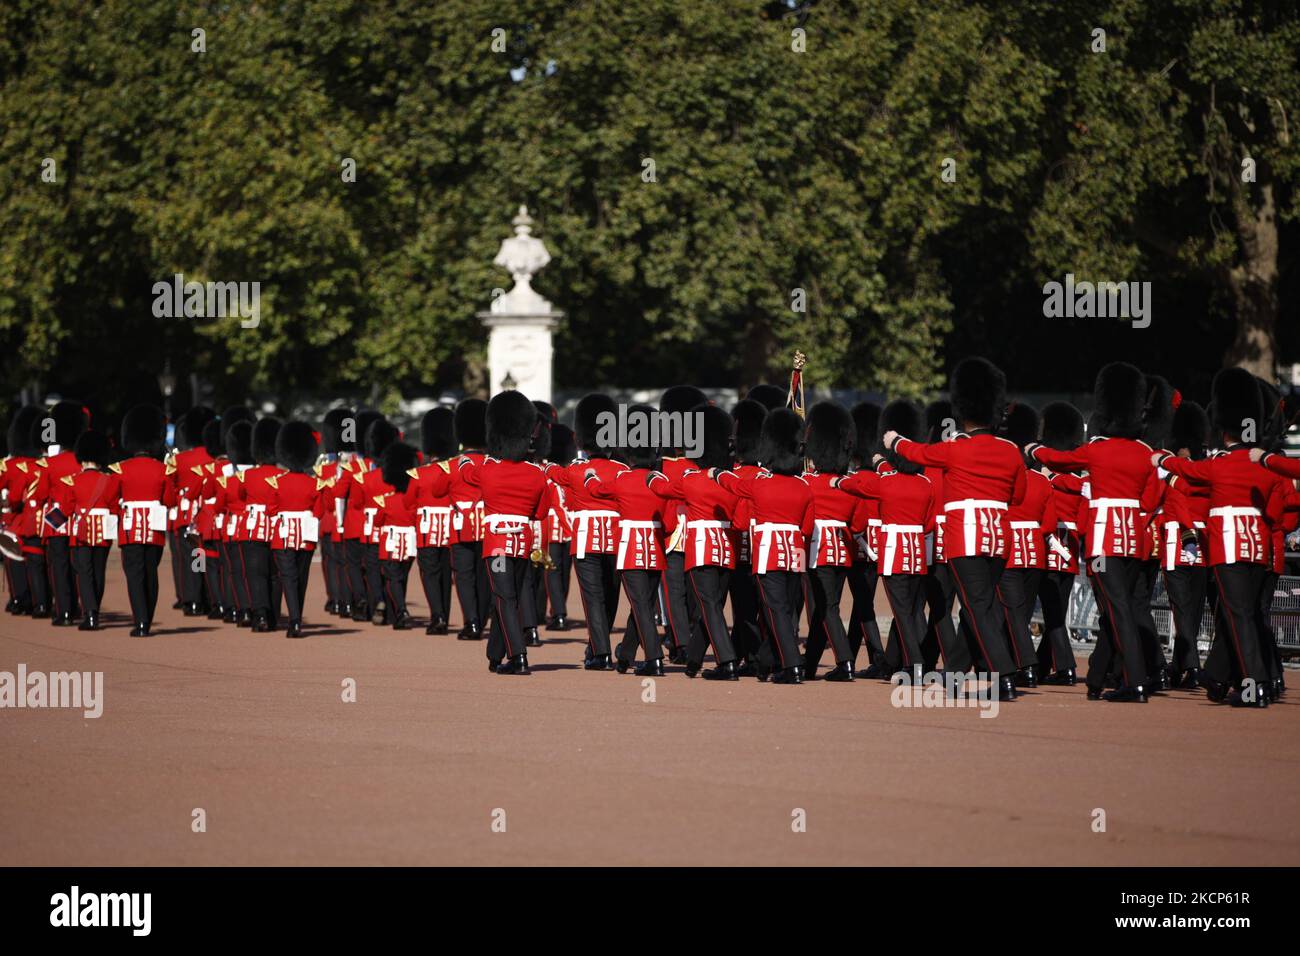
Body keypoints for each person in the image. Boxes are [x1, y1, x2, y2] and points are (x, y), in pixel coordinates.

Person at [886, 359, 1026, 700]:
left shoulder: (956, 448)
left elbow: (918, 452)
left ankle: (1004, 674)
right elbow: (1017, 496)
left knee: (976, 607)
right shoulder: (1010, 451)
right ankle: (953, 672)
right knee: (979, 605)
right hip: (999, 538)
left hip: (965, 537)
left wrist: (893, 441)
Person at [1028, 363, 1167, 702]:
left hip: (1104, 542)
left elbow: (1061, 460)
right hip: (1134, 540)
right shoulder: (1145, 453)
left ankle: (1135, 681)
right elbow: (1151, 500)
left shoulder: (1098, 450)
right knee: (1116, 608)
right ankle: (1097, 675)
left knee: (1117, 609)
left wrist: (1034, 451)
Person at [1156, 369, 1286, 707]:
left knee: (1237, 615)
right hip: (1259, 549)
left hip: (1227, 548)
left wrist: (1163, 460)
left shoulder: (1219, 465)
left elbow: (1188, 473)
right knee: (1242, 615)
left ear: (1223, 428)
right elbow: (1277, 508)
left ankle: (1253, 686)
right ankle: (1221, 676)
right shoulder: (1266, 468)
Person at [836, 400, 935, 680]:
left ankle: (914, 663)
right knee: (915, 610)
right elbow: (928, 524)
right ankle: (906, 661)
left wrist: (837, 481)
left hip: (893, 552)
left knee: (902, 612)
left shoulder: (886, 481)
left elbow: (857, 487)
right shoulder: (925, 484)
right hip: (917, 551)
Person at [715, 408, 814, 685]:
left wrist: (716, 472)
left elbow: (733, 485)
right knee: (786, 610)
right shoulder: (804, 486)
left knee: (775, 610)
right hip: (795, 552)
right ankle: (777, 660)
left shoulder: (760, 484)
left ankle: (792, 665)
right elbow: (806, 528)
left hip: (769, 552)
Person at [456, 391, 551, 674]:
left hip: (498, 545)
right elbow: (541, 513)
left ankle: (518, 656)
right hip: (522, 542)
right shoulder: (536, 474)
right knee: (507, 597)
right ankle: (495, 653)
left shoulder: (487, 470)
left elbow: (464, 471)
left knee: (504, 597)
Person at [646, 404, 742, 680]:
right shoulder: (729, 481)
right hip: (727, 549)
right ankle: (695, 659)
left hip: (701, 549)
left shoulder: (693, 480)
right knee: (709, 604)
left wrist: (651, 475)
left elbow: (662, 489)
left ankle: (727, 661)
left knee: (708, 605)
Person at [552, 393, 627, 668]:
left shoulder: (575, 469)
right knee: (610, 594)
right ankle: (599, 647)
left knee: (593, 597)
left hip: (586, 539)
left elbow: (553, 475)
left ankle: (600, 652)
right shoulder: (622, 470)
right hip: (618, 540)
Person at [995, 402, 1057, 687]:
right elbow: (1049, 525)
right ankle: (1018, 664)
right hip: (1035, 552)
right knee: (1024, 610)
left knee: (1012, 611)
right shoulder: (1044, 483)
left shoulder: (1003, 477)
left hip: (1009, 550)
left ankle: (1026, 666)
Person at [798, 401, 861, 682]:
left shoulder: (809, 483)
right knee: (825, 607)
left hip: (818, 550)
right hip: (842, 550)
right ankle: (810, 663)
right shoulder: (848, 485)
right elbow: (857, 524)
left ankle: (845, 661)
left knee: (827, 608)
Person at [1158, 399, 1212, 688]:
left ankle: (1191, 667)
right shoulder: (1205, 479)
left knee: (1184, 612)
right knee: (1189, 613)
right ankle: (1178, 667)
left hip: (1180, 547)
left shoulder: (1178, 480)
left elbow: (1178, 511)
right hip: (1198, 549)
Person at [1034, 402, 1087, 685]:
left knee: (1053, 611)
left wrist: (1052, 476)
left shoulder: (1055, 478)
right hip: (1069, 550)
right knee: (1055, 609)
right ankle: (1042, 666)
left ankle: (1065, 667)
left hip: (1052, 545)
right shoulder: (1075, 477)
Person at [657, 385, 709, 664]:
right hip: (699, 531)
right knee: (695, 588)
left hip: (674, 532)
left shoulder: (664, 465)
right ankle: (688, 637)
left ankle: (680, 641)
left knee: (673, 589)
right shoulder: (703, 465)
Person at [113, 405, 171, 637]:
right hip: (154, 529)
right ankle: (147, 617)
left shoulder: (120, 469)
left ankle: (141, 622)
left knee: (135, 574)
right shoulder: (162, 469)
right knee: (150, 573)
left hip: (129, 529)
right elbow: (170, 500)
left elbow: (111, 499)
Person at [270, 420, 330, 638]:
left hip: (284, 535)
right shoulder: (315, 484)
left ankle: (294, 621)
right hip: (305, 535)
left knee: (288, 576)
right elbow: (319, 511)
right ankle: (296, 619)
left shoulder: (276, 482)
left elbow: (270, 510)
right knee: (301, 578)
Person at [32, 401, 88, 626]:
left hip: (56, 522)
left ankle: (64, 611)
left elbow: (39, 495)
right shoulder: (82, 463)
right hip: (78, 520)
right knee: (79, 566)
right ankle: (79, 608)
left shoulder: (50, 464)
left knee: (59, 566)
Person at [67, 429, 119, 631]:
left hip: (81, 531)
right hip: (103, 529)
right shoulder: (110, 480)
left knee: (84, 572)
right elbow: (114, 507)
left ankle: (90, 613)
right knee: (98, 571)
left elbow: (65, 509)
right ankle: (94, 609)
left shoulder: (72, 480)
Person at [410, 407, 456, 635]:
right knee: (447, 574)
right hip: (449, 528)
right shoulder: (454, 470)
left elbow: (409, 504)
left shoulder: (418, 474)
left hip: (427, 529)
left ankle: (436, 615)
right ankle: (444, 616)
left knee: (429, 572)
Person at [447, 400, 491, 640]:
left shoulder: (452, 466)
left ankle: (471, 622)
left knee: (463, 575)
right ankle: (482, 620)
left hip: (460, 526)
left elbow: (436, 490)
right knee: (484, 574)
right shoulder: (491, 464)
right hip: (485, 525)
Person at [169, 406, 216, 616]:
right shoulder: (213, 458)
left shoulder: (180, 460)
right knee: (206, 556)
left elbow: (171, 486)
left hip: (186, 515)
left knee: (190, 559)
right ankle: (206, 597)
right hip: (208, 515)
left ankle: (193, 599)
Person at [240, 417, 285, 632]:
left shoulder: (248, 475)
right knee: (275, 574)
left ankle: (260, 615)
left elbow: (240, 495)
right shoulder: (282, 475)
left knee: (257, 573)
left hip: (254, 527)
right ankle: (274, 616)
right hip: (278, 528)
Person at [374, 441, 421, 631]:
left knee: (392, 578)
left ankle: (401, 610)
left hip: (391, 543)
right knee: (401, 578)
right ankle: (398, 615)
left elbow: (377, 522)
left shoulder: (385, 501)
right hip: (409, 543)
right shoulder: (412, 500)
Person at [1, 406, 43, 616]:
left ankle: (19, 597)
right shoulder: (42, 464)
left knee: (14, 559)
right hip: (39, 519)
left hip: (14, 519)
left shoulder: (8, 466)